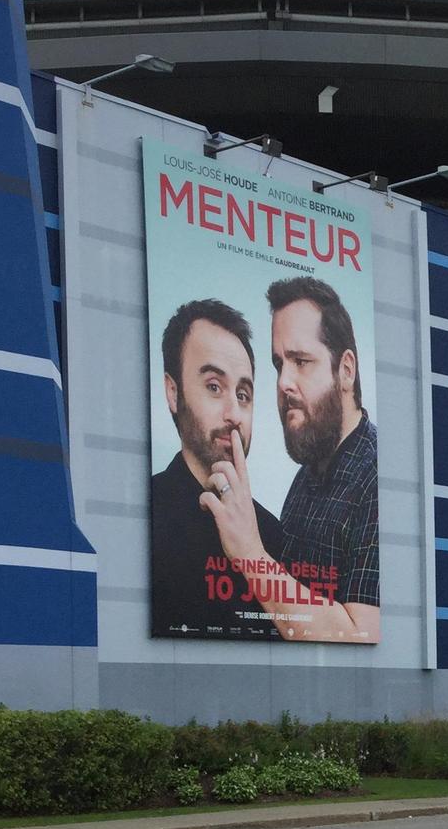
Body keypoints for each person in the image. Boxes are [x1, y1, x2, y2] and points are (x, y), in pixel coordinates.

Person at [200, 275, 379, 642]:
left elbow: (361, 632)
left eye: (301, 361)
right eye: (279, 364)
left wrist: (250, 553)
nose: (283, 382)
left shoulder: (376, 478)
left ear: (346, 370)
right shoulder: (309, 473)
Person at [149, 299, 286, 638]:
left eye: (243, 394)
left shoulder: (276, 537)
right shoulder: (144, 513)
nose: (234, 414)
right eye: (214, 386)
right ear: (173, 392)